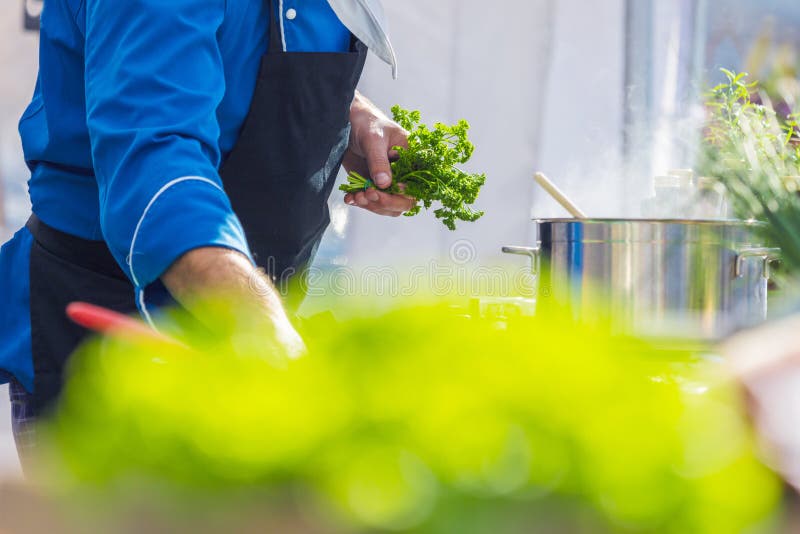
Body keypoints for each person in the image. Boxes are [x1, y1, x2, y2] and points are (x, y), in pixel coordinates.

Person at [0, 0, 415, 467]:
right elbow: (156, 170)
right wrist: (269, 336)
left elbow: (238, 46)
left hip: (245, 323)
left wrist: (350, 115)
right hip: (110, 334)